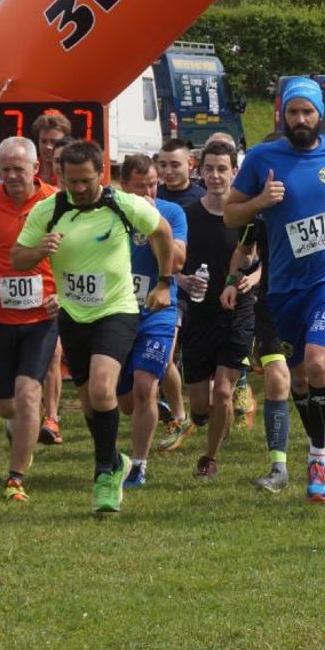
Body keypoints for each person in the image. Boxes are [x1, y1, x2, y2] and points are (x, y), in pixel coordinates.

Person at [13, 140, 175, 513]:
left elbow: (162, 231)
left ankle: (104, 471)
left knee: (103, 390)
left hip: (116, 310)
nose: (81, 188)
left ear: (101, 173)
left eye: (87, 180)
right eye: (73, 181)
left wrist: (165, 281)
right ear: (60, 177)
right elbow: (18, 257)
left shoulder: (123, 204)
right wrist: (39, 251)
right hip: (72, 315)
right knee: (89, 402)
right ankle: (114, 459)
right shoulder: (48, 210)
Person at [225, 76, 325, 503]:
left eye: (307, 111)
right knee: (302, 379)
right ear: (282, 115)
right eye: (293, 112)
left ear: (320, 114)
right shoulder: (264, 157)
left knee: (320, 364)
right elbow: (232, 216)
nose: (300, 119)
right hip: (285, 285)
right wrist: (260, 202)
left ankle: (318, 458)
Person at [0, 136, 59, 502]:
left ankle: (15, 478)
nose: (13, 176)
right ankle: (20, 429)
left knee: (28, 394)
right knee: (6, 405)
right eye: (5, 170)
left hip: (41, 317)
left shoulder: (56, 201)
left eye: (20, 169)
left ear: (36, 168)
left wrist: (62, 297)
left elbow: (78, 252)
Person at [180, 140, 256, 478]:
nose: (214, 175)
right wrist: (180, 280)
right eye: (209, 168)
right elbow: (169, 261)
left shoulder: (246, 215)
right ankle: (204, 419)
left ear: (234, 172)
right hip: (198, 314)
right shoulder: (187, 215)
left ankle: (209, 459)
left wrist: (251, 281)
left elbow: (264, 259)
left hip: (238, 311)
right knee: (200, 404)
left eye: (222, 168)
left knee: (223, 390)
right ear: (199, 170)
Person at [116, 154, 187, 488]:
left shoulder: (170, 212)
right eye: (140, 186)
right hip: (117, 310)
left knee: (144, 386)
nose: (148, 191)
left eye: (153, 184)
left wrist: (153, 220)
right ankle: (150, 408)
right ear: (124, 185)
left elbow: (180, 258)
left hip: (159, 310)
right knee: (127, 403)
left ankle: (138, 465)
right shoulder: (112, 213)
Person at [152, 137, 202, 451]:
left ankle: (183, 414)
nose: (168, 171)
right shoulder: (150, 197)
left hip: (197, 286)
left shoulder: (201, 198)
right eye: (163, 165)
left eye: (175, 165)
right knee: (164, 356)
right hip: (166, 285)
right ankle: (176, 413)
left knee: (175, 357)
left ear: (190, 165)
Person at [33, 111, 72, 187]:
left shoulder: (73, 170)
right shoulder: (29, 168)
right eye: (44, 141)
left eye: (54, 142)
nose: (48, 147)